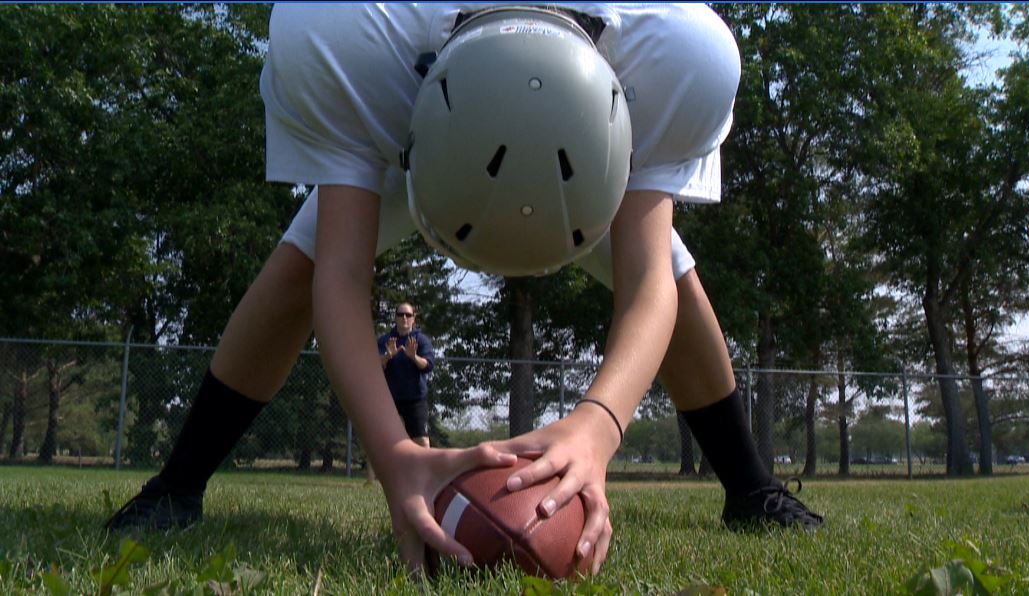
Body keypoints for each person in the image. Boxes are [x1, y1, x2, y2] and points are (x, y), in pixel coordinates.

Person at [104, 4, 821, 576]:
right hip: (403, 140)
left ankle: (751, 489)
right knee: (300, 264)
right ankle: (177, 484)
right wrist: (394, 457)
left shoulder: (679, 53)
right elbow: (341, 275)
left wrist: (597, 426)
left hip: (590, 171)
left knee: (670, 273)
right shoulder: (348, 37)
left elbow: (645, 283)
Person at [378, 303, 435, 448]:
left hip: (415, 399)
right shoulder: (385, 340)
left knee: (422, 441)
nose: (404, 318)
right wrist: (387, 356)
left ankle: (425, 471)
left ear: (413, 318)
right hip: (389, 399)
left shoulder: (421, 340)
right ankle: (376, 472)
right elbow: (373, 367)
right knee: (378, 441)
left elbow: (428, 366)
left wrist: (414, 357)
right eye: (400, 314)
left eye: (408, 315)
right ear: (395, 317)